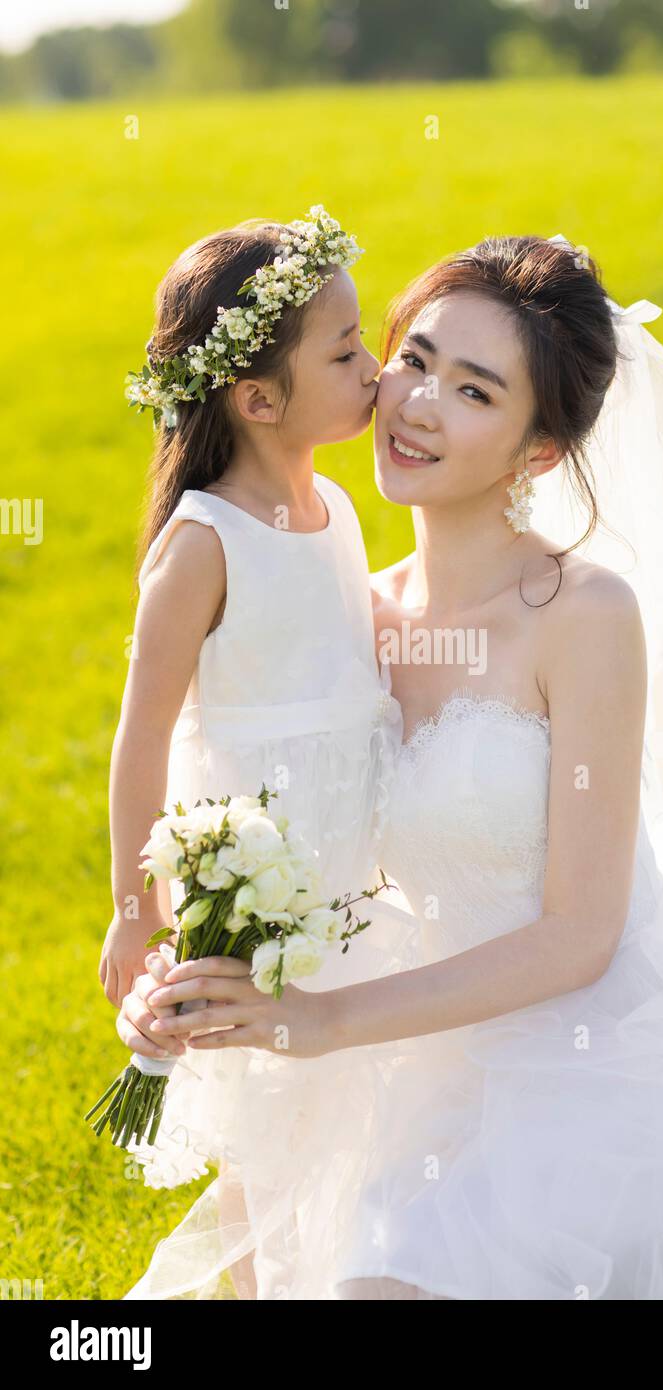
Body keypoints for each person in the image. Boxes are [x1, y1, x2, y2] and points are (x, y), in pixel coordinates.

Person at [120, 233, 663, 1301]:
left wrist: (323, 1023)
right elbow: (261, 828)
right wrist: (188, 974)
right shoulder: (348, 604)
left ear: (539, 454)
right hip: (415, 1044)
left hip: (591, 1051)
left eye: (473, 391)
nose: (416, 403)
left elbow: (580, 934)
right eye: (412, 359)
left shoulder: (582, 615)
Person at [100, 206, 402, 1295]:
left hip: (348, 882)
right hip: (258, 888)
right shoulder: (203, 543)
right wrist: (138, 907)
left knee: (345, 1111)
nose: (376, 368)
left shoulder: (340, 509)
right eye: (345, 351)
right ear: (259, 396)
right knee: (266, 1136)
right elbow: (143, 737)